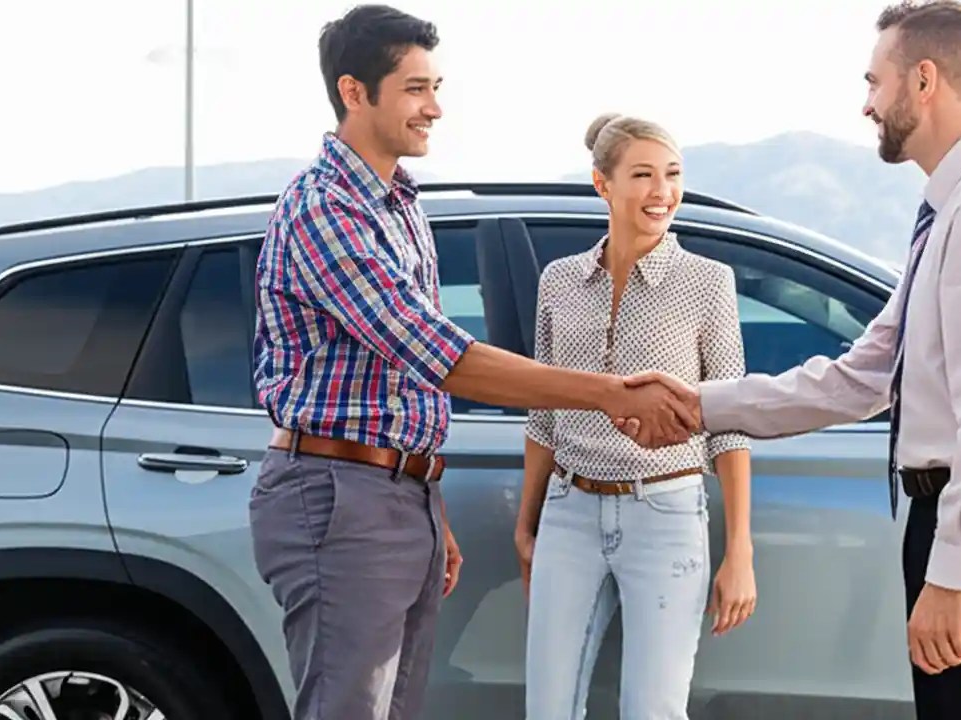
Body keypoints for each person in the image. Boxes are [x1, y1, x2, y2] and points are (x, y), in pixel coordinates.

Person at [620, 2, 961, 718]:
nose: (866, 103)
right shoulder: (956, 206)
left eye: (875, 82)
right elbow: (869, 373)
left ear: (925, 80)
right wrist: (700, 405)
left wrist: (956, 574)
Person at [247, 7, 696, 720]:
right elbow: (437, 354)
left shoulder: (396, 202)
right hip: (338, 494)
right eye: (416, 89)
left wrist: (424, 500)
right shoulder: (326, 207)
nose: (436, 108)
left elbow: (403, 383)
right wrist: (609, 393)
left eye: (436, 86)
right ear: (355, 92)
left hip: (390, 492)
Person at [515, 114, 757, 719]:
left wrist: (740, 551)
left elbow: (727, 424)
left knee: (653, 711)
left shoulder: (708, 283)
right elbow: (544, 413)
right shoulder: (559, 281)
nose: (662, 192)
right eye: (643, 175)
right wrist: (528, 521)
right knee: (548, 709)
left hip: (668, 514)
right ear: (603, 184)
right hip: (568, 513)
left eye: (672, 175)